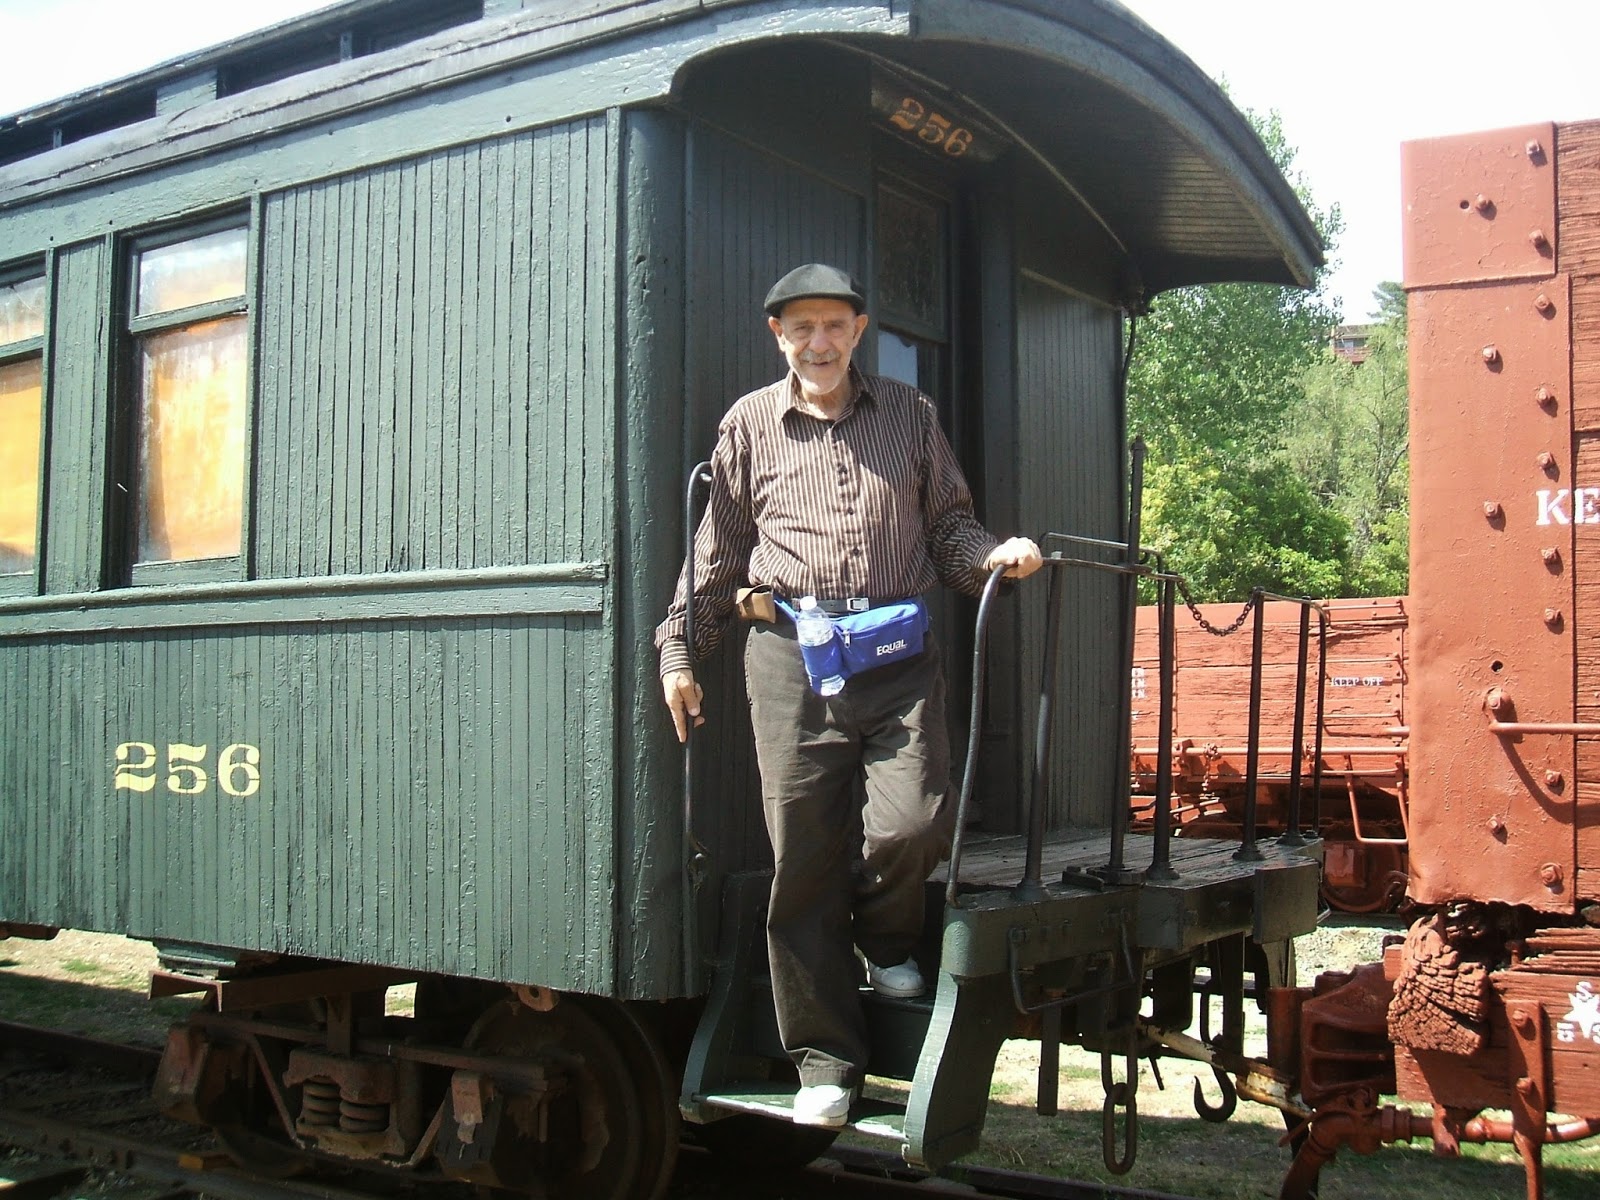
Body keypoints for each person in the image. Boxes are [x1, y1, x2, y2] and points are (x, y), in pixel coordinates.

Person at [656, 263, 1042, 1127]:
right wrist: (679, 647)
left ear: (859, 331)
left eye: (834, 326)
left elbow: (947, 525)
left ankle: (889, 938)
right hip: (790, 660)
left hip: (897, 656)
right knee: (804, 855)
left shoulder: (911, 415)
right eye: (802, 329)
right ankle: (825, 1063)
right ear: (779, 336)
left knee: (912, 823)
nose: (818, 343)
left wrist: (991, 555)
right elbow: (717, 554)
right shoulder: (749, 425)